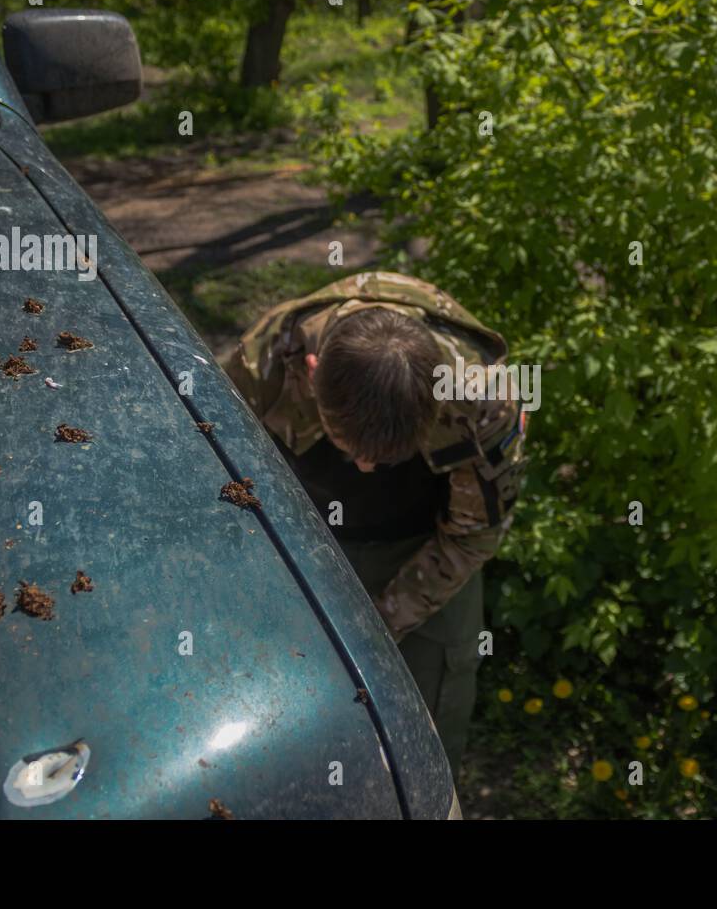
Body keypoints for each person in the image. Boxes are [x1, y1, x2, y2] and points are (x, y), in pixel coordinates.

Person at [223, 271, 527, 780]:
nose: (365, 467)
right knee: (276, 719)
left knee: (426, 732)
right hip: (297, 545)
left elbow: (473, 535)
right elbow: (219, 469)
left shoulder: (484, 396)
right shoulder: (268, 359)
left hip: (426, 556)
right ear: (314, 373)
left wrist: (379, 628)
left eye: (386, 457)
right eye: (349, 448)